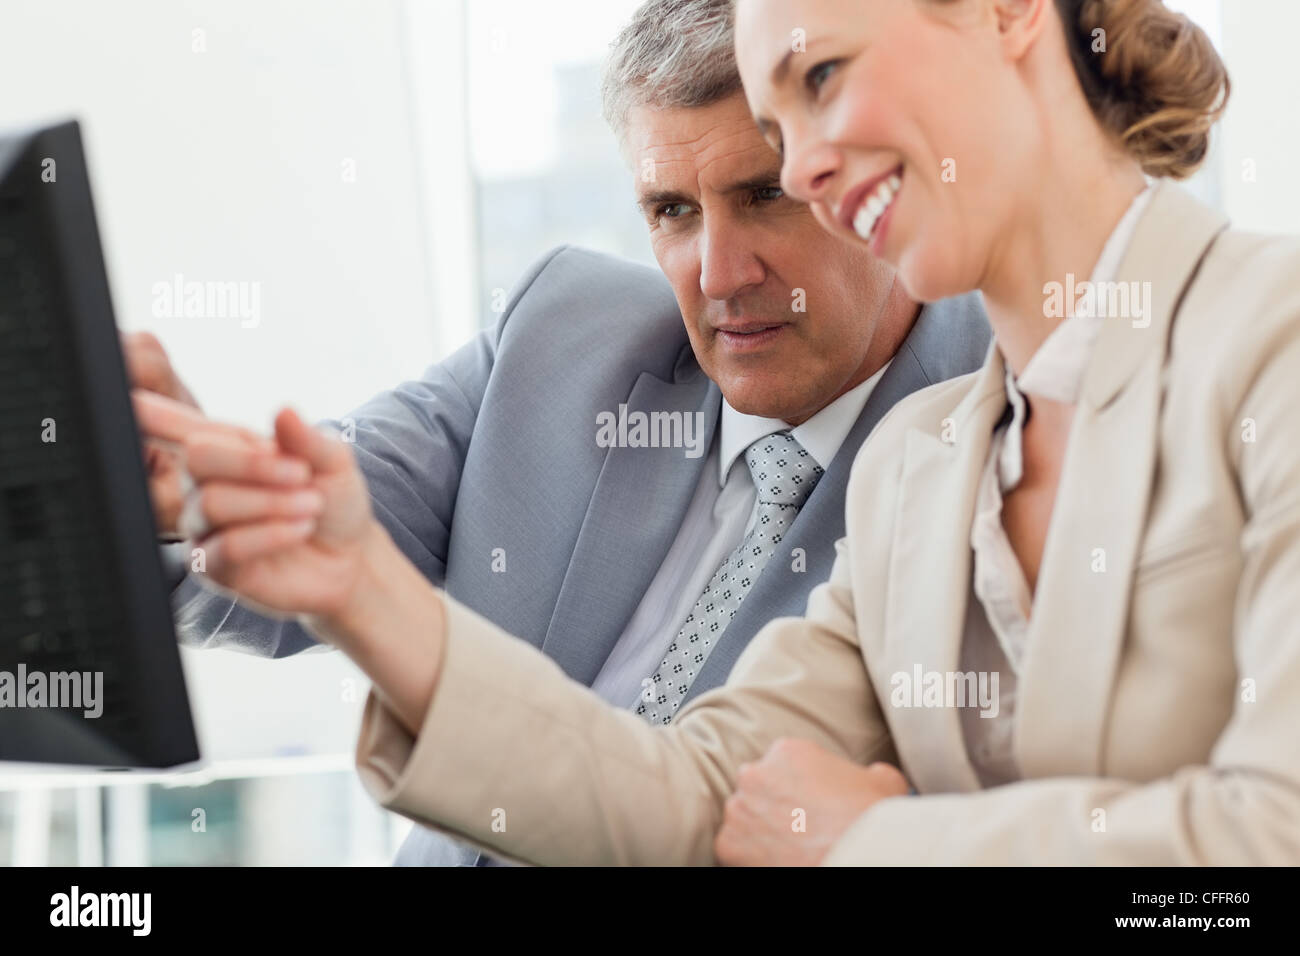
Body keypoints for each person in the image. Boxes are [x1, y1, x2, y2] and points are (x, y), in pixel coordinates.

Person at [143, 0, 1299, 865]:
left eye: (823, 78)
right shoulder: (923, 468)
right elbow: (694, 796)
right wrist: (361, 589)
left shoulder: (1267, 344)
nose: (804, 162)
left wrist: (876, 847)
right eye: (778, 118)